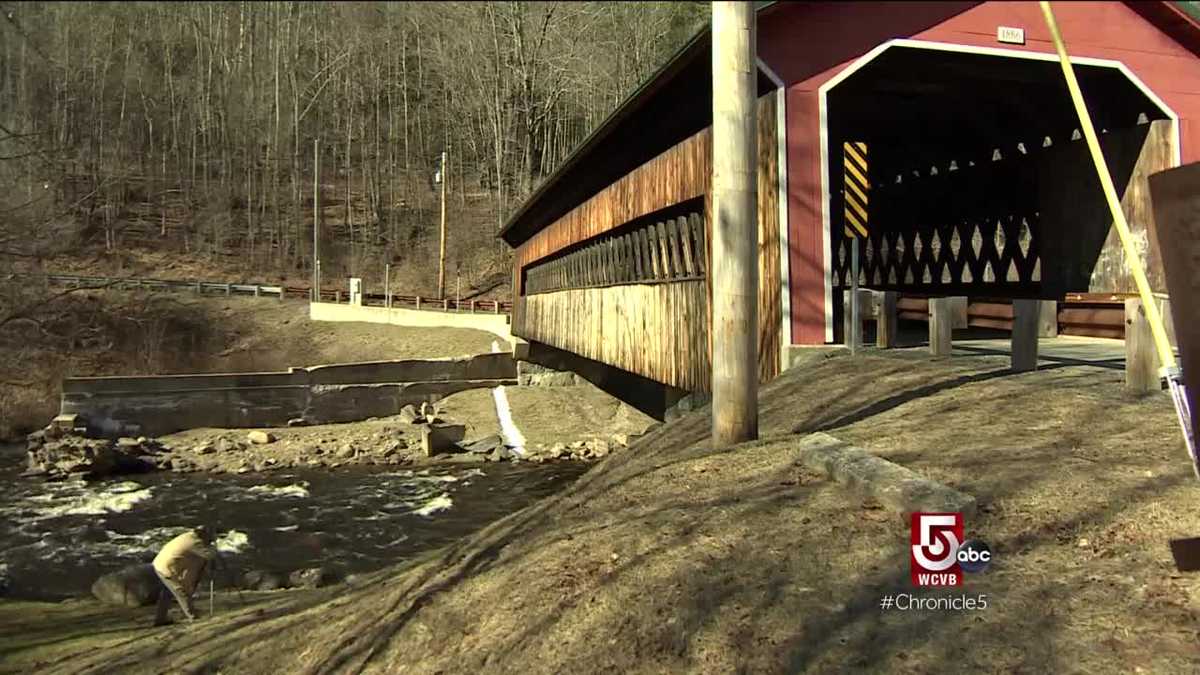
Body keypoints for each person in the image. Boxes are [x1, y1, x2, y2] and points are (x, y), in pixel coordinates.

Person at [152, 526, 219, 626]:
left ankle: (160, 619)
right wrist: (214, 546)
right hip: (165, 568)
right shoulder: (194, 543)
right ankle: (193, 618)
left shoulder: (188, 536)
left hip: (160, 564)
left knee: (167, 593)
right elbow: (209, 555)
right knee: (181, 593)